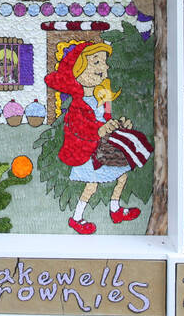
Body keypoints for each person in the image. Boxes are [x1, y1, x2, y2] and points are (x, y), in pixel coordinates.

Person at [43, 40, 142, 234]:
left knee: (122, 176)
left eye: (104, 62)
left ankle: (115, 209)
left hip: (103, 148)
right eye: (96, 62)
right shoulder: (77, 105)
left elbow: (106, 118)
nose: (104, 67)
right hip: (87, 152)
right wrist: (101, 129)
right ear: (78, 71)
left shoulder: (103, 95)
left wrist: (118, 125)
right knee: (92, 185)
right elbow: (81, 128)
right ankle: (76, 218)